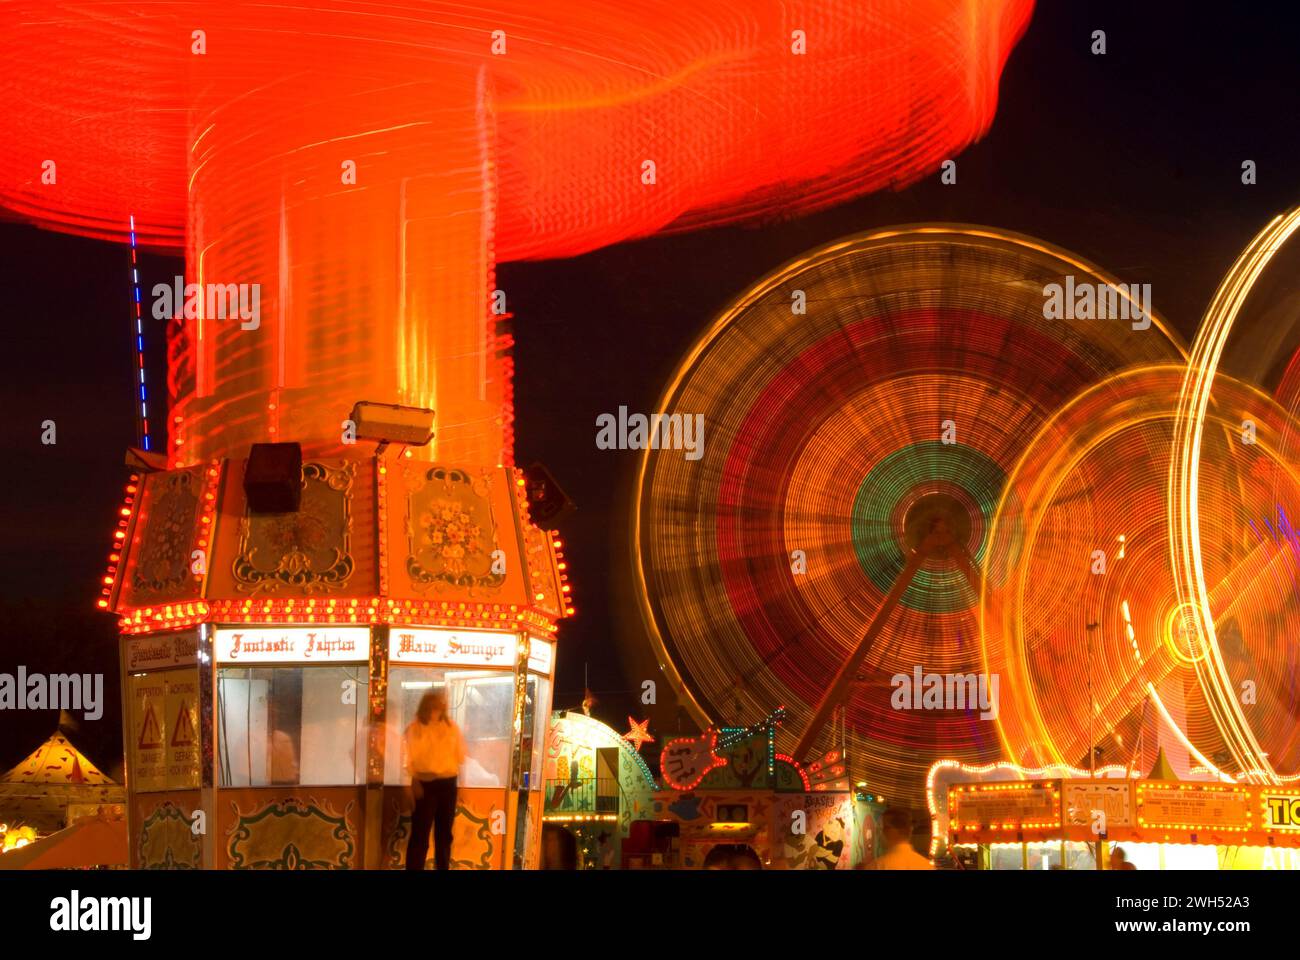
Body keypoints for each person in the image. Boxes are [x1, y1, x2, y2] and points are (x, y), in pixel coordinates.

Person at [403, 690, 466, 870]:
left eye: (441, 705)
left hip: (447, 782)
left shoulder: (451, 727)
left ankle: (442, 867)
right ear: (427, 706)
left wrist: (461, 785)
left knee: (444, 835)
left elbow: (460, 757)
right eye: (435, 704)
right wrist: (412, 783)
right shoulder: (414, 728)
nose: (439, 708)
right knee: (420, 835)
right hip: (425, 783)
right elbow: (408, 760)